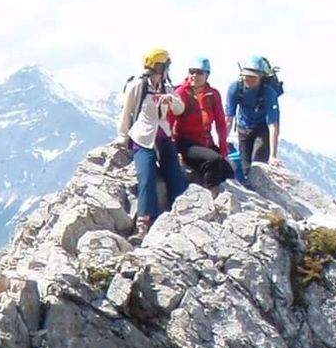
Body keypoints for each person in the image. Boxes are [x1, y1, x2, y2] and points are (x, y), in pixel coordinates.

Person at [118, 48, 189, 236]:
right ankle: (145, 222)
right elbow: (127, 112)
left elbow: (180, 108)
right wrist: (121, 137)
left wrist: (171, 100)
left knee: (175, 174)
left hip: (163, 138)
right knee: (146, 176)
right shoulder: (138, 86)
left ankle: (181, 214)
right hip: (142, 138)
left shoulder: (166, 88)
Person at [173, 57, 234, 190]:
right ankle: (208, 194)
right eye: (192, 72)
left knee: (228, 171)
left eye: (199, 72)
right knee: (213, 160)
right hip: (185, 142)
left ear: (207, 75)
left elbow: (220, 123)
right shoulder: (181, 93)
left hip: (205, 142)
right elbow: (170, 119)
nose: (194, 75)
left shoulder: (213, 94)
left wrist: (223, 148)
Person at [226, 57, 283, 179]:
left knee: (258, 164)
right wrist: (221, 142)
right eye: (247, 76)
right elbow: (229, 118)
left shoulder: (269, 92)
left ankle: (260, 189)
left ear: (261, 77)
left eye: (253, 77)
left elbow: (273, 126)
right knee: (245, 166)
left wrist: (273, 155)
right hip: (243, 128)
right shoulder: (235, 87)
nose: (249, 79)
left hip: (262, 130)